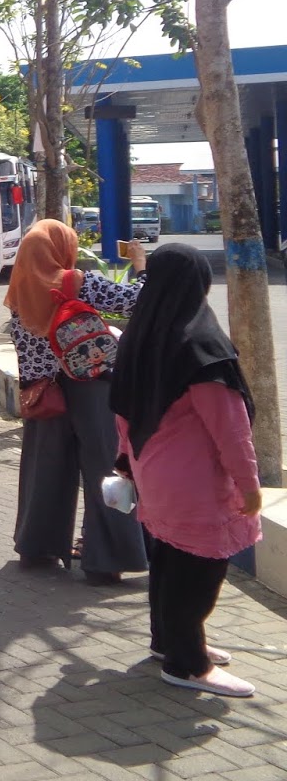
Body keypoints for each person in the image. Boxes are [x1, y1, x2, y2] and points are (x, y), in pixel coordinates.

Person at [109, 243, 261, 698]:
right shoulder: (202, 346)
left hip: (153, 474)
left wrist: (126, 462)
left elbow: (123, 414)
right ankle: (188, 664)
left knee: (169, 562)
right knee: (199, 572)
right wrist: (249, 485)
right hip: (196, 483)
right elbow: (231, 430)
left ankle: (168, 642)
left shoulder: (140, 336)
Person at [6, 219, 148, 582]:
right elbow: (137, 300)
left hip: (43, 393)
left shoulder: (18, 293)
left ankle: (38, 547)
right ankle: (107, 559)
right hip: (90, 387)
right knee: (105, 468)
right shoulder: (76, 282)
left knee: (44, 469)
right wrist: (140, 265)